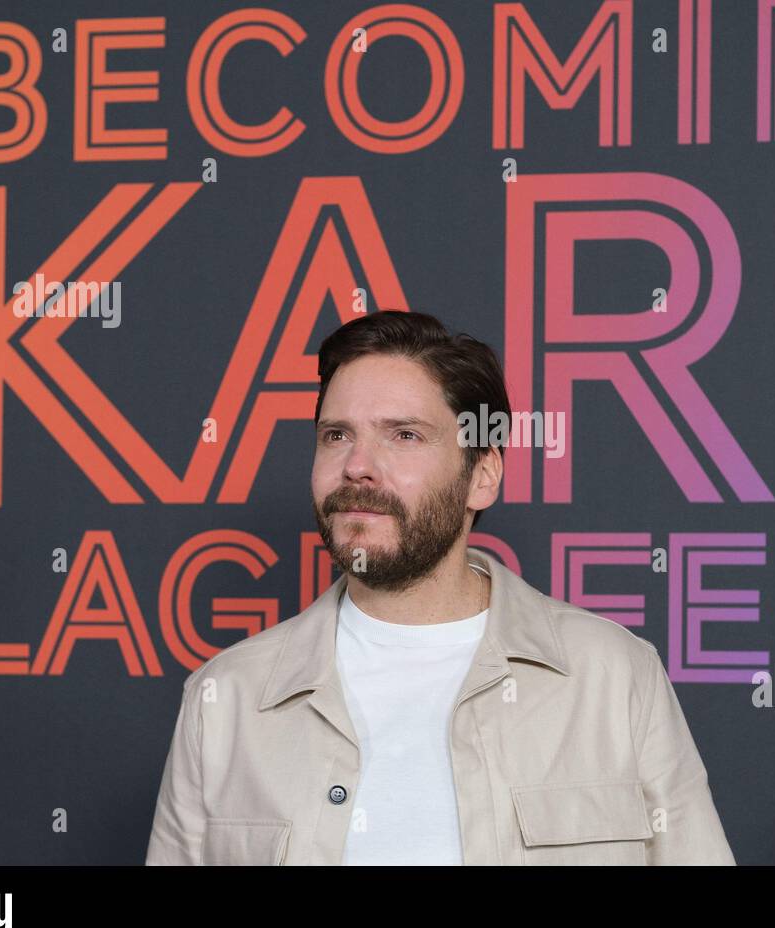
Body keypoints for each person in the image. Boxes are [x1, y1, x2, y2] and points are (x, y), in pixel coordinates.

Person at [145, 310, 736, 865]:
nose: (357, 465)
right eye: (336, 435)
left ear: (481, 476)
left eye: (403, 435)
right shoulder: (224, 703)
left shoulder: (614, 677)